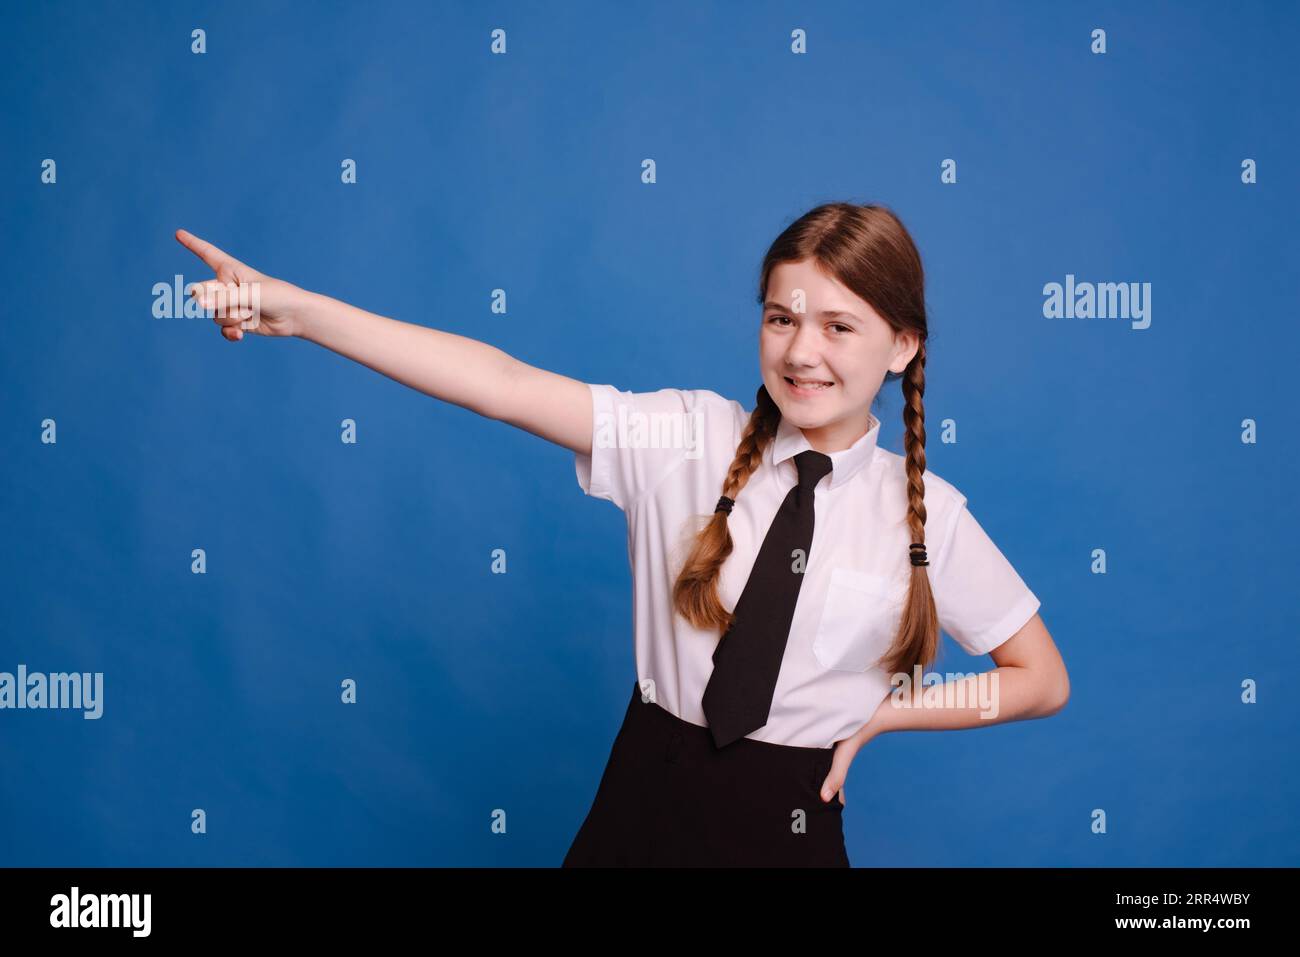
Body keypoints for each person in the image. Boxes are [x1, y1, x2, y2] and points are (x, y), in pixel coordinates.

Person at [175, 202, 1070, 868]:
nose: (803, 352)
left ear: (903, 346)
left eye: (841, 326)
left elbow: (1040, 678)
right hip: (642, 799)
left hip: (786, 825)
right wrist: (297, 313)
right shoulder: (683, 436)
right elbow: (501, 381)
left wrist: (885, 716)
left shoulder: (928, 514)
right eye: (781, 317)